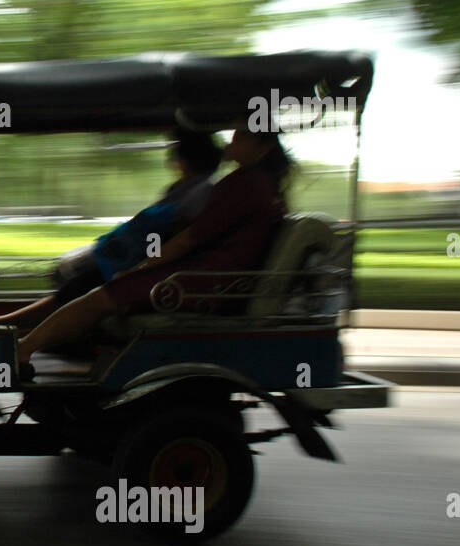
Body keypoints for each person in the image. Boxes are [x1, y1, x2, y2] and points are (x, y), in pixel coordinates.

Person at [16, 125, 291, 367]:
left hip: (203, 281)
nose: (231, 144)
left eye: (241, 137)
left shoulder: (242, 184)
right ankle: (28, 342)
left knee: (101, 296)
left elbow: (188, 239)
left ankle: (23, 349)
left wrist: (141, 269)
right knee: (94, 289)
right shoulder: (259, 184)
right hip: (211, 277)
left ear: (263, 147)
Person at [0, 127, 223, 332]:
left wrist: (139, 267)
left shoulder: (200, 193)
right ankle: (11, 324)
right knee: (73, 279)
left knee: (78, 287)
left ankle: (7, 325)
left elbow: (179, 238)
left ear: (183, 161)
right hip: (131, 258)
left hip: (148, 268)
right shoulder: (182, 189)